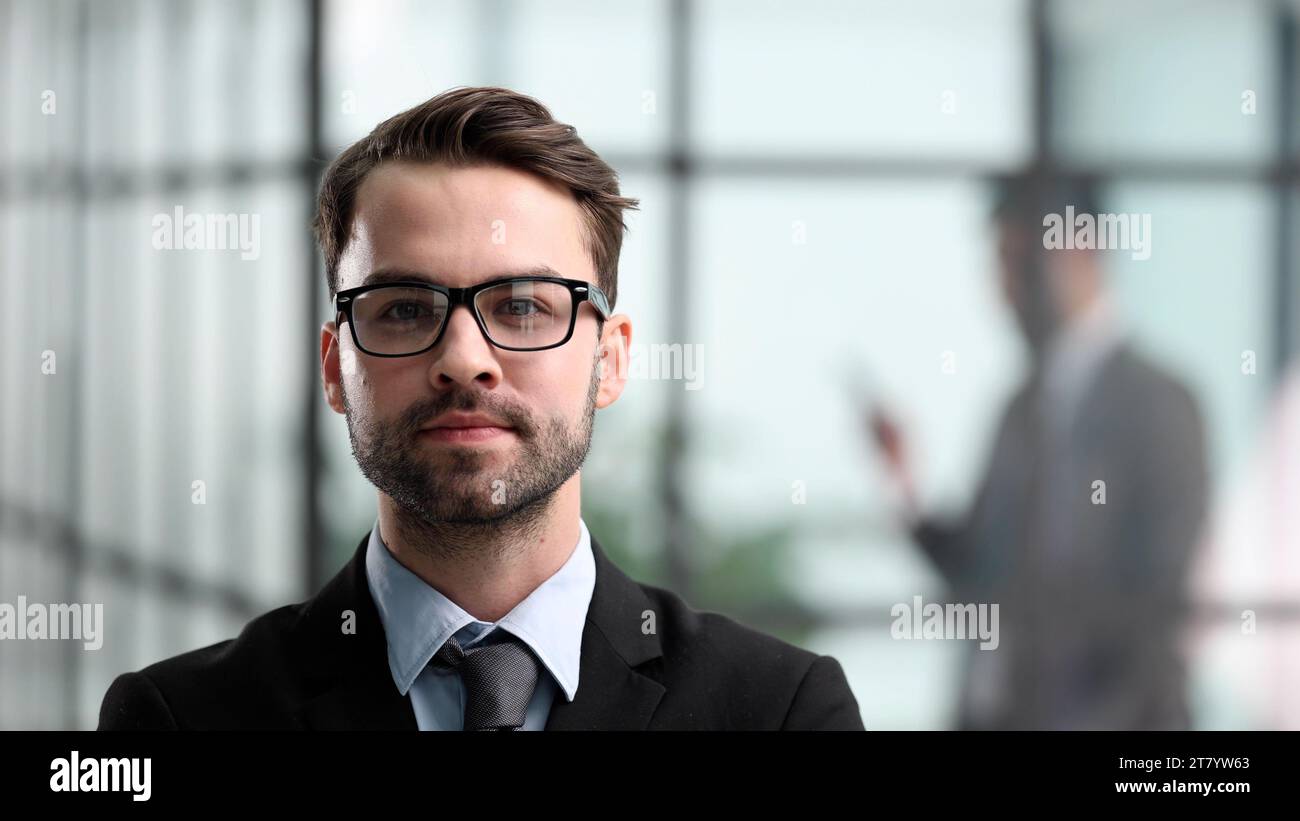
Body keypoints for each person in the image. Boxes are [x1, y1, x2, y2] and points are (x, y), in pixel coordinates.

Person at [98, 86, 864, 731]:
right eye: (403, 309)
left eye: (525, 305)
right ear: (335, 367)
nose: (465, 358)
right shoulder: (177, 720)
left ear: (611, 360)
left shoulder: (781, 713)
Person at [869, 172, 1208, 729]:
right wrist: (906, 481)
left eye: (1014, 261)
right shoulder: (1017, 409)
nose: (1001, 290)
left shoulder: (1161, 406)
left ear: (1079, 248)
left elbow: (1153, 609)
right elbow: (980, 574)